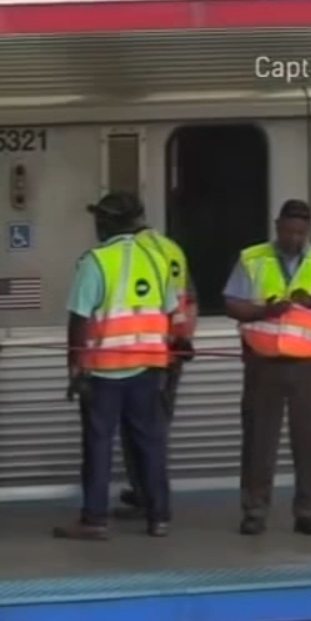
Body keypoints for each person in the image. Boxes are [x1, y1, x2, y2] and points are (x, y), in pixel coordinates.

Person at [224, 200, 311, 537]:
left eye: (300, 232)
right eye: (288, 231)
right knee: (259, 441)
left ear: (308, 230)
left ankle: (307, 510)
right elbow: (232, 303)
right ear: (277, 225)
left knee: (310, 442)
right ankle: (255, 511)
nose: (294, 238)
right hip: (263, 363)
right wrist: (264, 312)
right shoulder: (252, 258)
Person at [54, 191, 177, 542]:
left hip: (104, 370)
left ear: (105, 223)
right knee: (149, 443)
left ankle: (95, 519)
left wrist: (75, 367)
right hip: (149, 367)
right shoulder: (157, 259)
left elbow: (79, 319)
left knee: (99, 444)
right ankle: (159, 517)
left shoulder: (96, 261)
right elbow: (168, 311)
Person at [115, 218, 197, 521]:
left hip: (141, 353)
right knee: (155, 427)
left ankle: (151, 500)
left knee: (140, 430)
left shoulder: (129, 252)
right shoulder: (171, 248)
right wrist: (183, 338)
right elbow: (189, 300)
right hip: (171, 349)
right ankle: (147, 494)